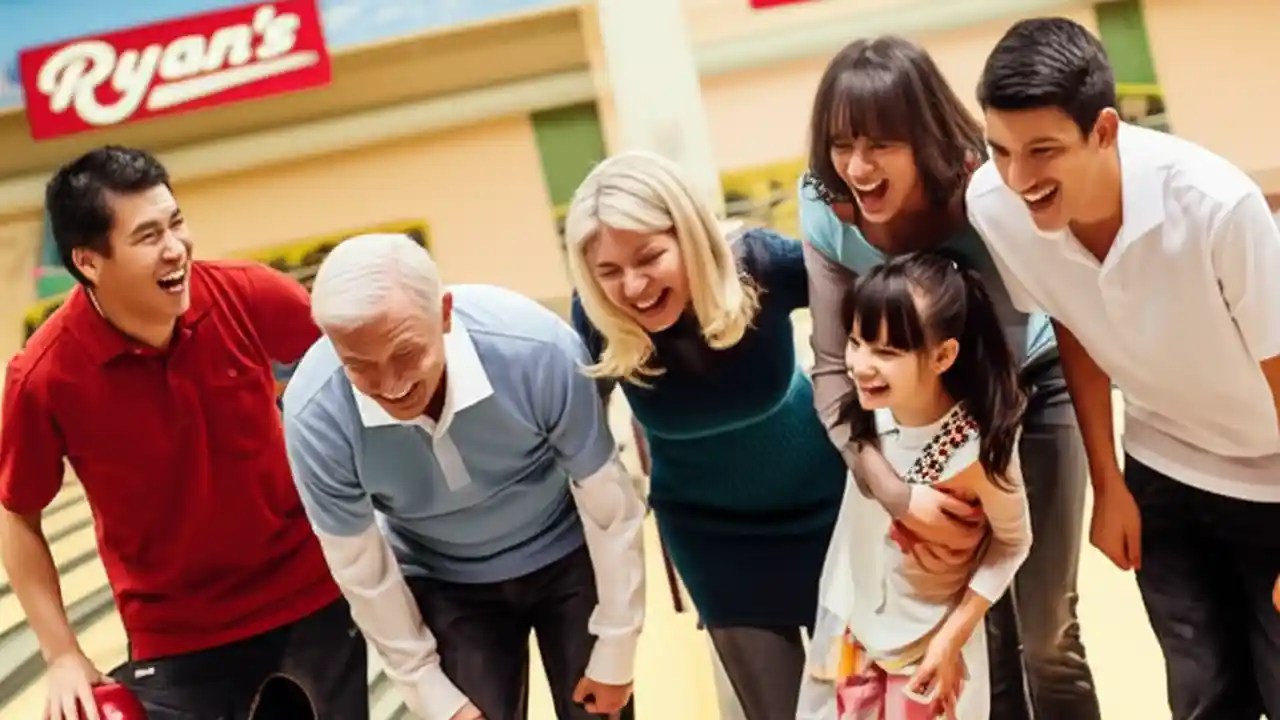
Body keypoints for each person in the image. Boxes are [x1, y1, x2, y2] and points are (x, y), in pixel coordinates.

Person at [968, 17, 1280, 719]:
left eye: (1042, 151)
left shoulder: (1214, 206)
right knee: (1202, 695)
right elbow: (1075, 320)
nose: (1019, 178)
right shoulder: (995, 204)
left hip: (1273, 477)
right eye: (1000, 150)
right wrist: (1108, 484)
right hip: (1165, 467)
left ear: (1105, 131)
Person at [0, 146, 367, 720]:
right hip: (176, 638)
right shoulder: (44, 377)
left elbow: (360, 374)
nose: (176, 248)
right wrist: (62, 653)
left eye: (175, 222)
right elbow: (18, 513)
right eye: (148, 236)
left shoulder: (247, 294)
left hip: (313, 600)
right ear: (90, 261)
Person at [797, 35, 1100, 719]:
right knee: (970, 637)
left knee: (1045, 629)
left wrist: (982, 475)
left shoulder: (984, 192)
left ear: (924, 139)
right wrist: (896, 493)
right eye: (843, 144)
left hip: (1025, 391)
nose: (858, 166)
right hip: (919, 416)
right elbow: (828, 368)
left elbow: (1039, 336)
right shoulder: (825, 205)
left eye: (881, 145)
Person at [281, 233, 646, 720]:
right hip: (444, 579)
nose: (391, 385)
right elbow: (361, 570)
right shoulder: (316, 416)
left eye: (407, 354)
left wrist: (616, 648)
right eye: (360, 367)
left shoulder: (536, 349)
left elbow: (609, 507)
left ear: (445, 313)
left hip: (567, 555)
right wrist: (430, 692)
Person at [563, 150, 847, 720]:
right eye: (609, 272)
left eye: (649, 258)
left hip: (829, 513)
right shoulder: (597, 319)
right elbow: (580, 451)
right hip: (713, 538)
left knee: (864, 706)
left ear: (689, 236)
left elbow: (881, 310)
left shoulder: (763, 264)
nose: (634, 287)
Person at [800, 252, 1032, 719]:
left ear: (944, 355)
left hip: (929, 654)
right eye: (856, 342)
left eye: (887, 352)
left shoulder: (975, 449)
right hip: (861, 639)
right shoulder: (871, 414)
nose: (861, 365)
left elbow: (1014, 541)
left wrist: (952, 639)